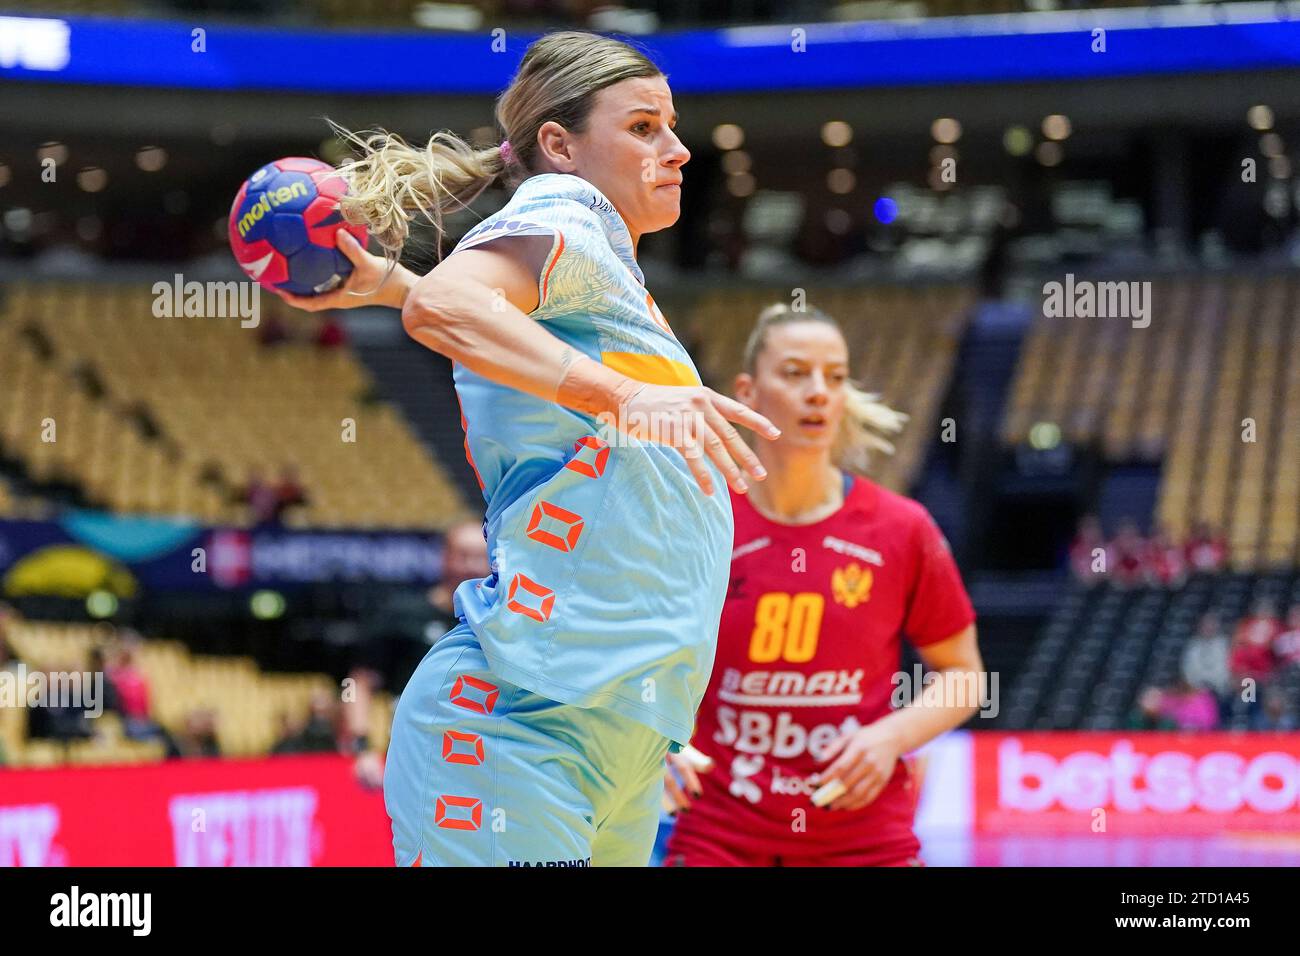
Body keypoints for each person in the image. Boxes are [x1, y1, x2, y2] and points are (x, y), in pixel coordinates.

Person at [276, 31, 778, 866]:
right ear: (560, 145)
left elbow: (467, 312)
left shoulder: (608, 274)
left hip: (612, 734)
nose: (679, 149)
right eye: (645, 127)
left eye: (673, 126)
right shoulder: (566, 213)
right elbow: (446, 312)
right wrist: (624, 396)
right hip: (515, 724)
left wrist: (400, 283)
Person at [661, 304, 984, 867]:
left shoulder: (903, 529)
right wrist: (650, 742)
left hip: (866, 839)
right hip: (718, 835)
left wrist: (891, 737)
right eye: (794, 373)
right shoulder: (701, 521)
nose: (819, 392)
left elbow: (963, 676)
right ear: (748, 391)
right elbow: (635, 655)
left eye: (835, 377)